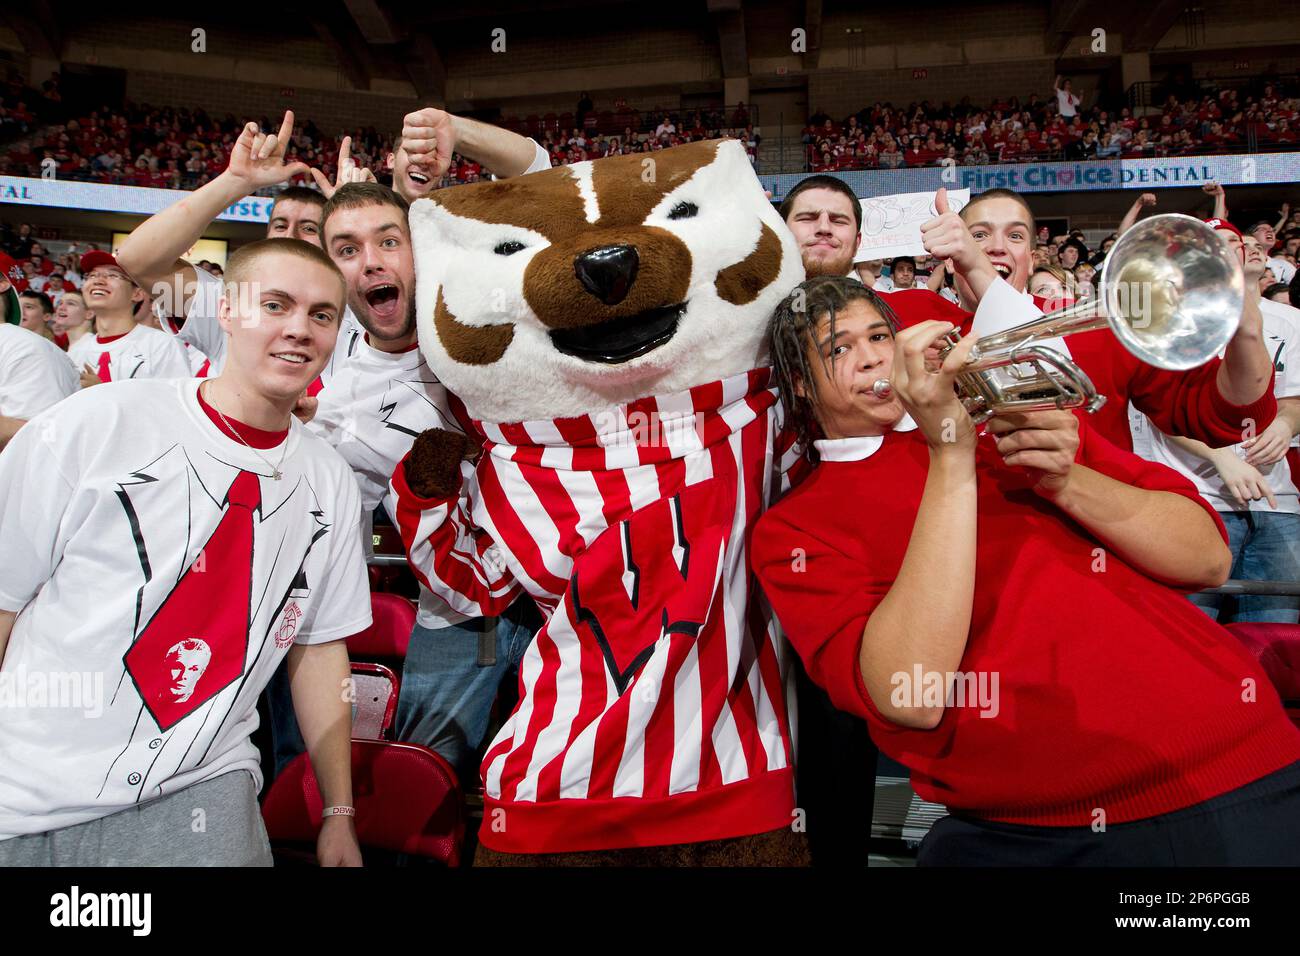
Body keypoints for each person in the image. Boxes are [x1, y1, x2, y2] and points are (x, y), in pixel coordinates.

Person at [752, 275, 1300, 866]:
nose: (873, 359)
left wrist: (1067, 479)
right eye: (839, 349)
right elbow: (911, 695)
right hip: (1038, 832)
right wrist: (950, 453)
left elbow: (1207, 560)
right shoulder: (795, 529)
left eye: (881, 336)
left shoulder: (1018, 420)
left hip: (1256, 769)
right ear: (803, 386)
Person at [0, 239, 371, 866]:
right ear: (225, 310)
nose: (298, 330)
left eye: (322, 315)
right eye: (275, 304)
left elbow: (317, 644)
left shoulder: (330, 479)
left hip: (205, 788)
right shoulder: (94, 422)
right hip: (30, 785)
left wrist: (338, 812)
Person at [897, 188, 1279, 452]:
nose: (996, 246)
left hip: (1073, 549)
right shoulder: (910, 314)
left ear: (1031, 258)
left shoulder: (1097, 326)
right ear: (948, 255)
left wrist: (1246, 332)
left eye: (1015, 236)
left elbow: (1225, 416)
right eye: (978, 235)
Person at [1141, 234, 1300, 623]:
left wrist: (1283, 423)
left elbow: (1295, 399)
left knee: (1277, 646)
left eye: (1232, 242)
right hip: (1196, 499)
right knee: (1190, 638)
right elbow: (1154, 406)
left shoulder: (1291, 322)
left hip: (1277, 501)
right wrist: (1221, 459)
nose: (1224, 250)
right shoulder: (1162, 314)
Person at [67, 251, 190, 386]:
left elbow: (173, 403)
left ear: (137, 294)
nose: (98, 280)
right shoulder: (75, 352)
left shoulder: (163, 345)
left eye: (113, 275)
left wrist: (102, 392)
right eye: (92, 275)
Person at [778, 174, 862, 279]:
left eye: (839, 221)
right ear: (780, 232)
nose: (824, 228)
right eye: (806, 218)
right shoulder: (754, 295)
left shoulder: (881, 296)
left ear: (857, 243)